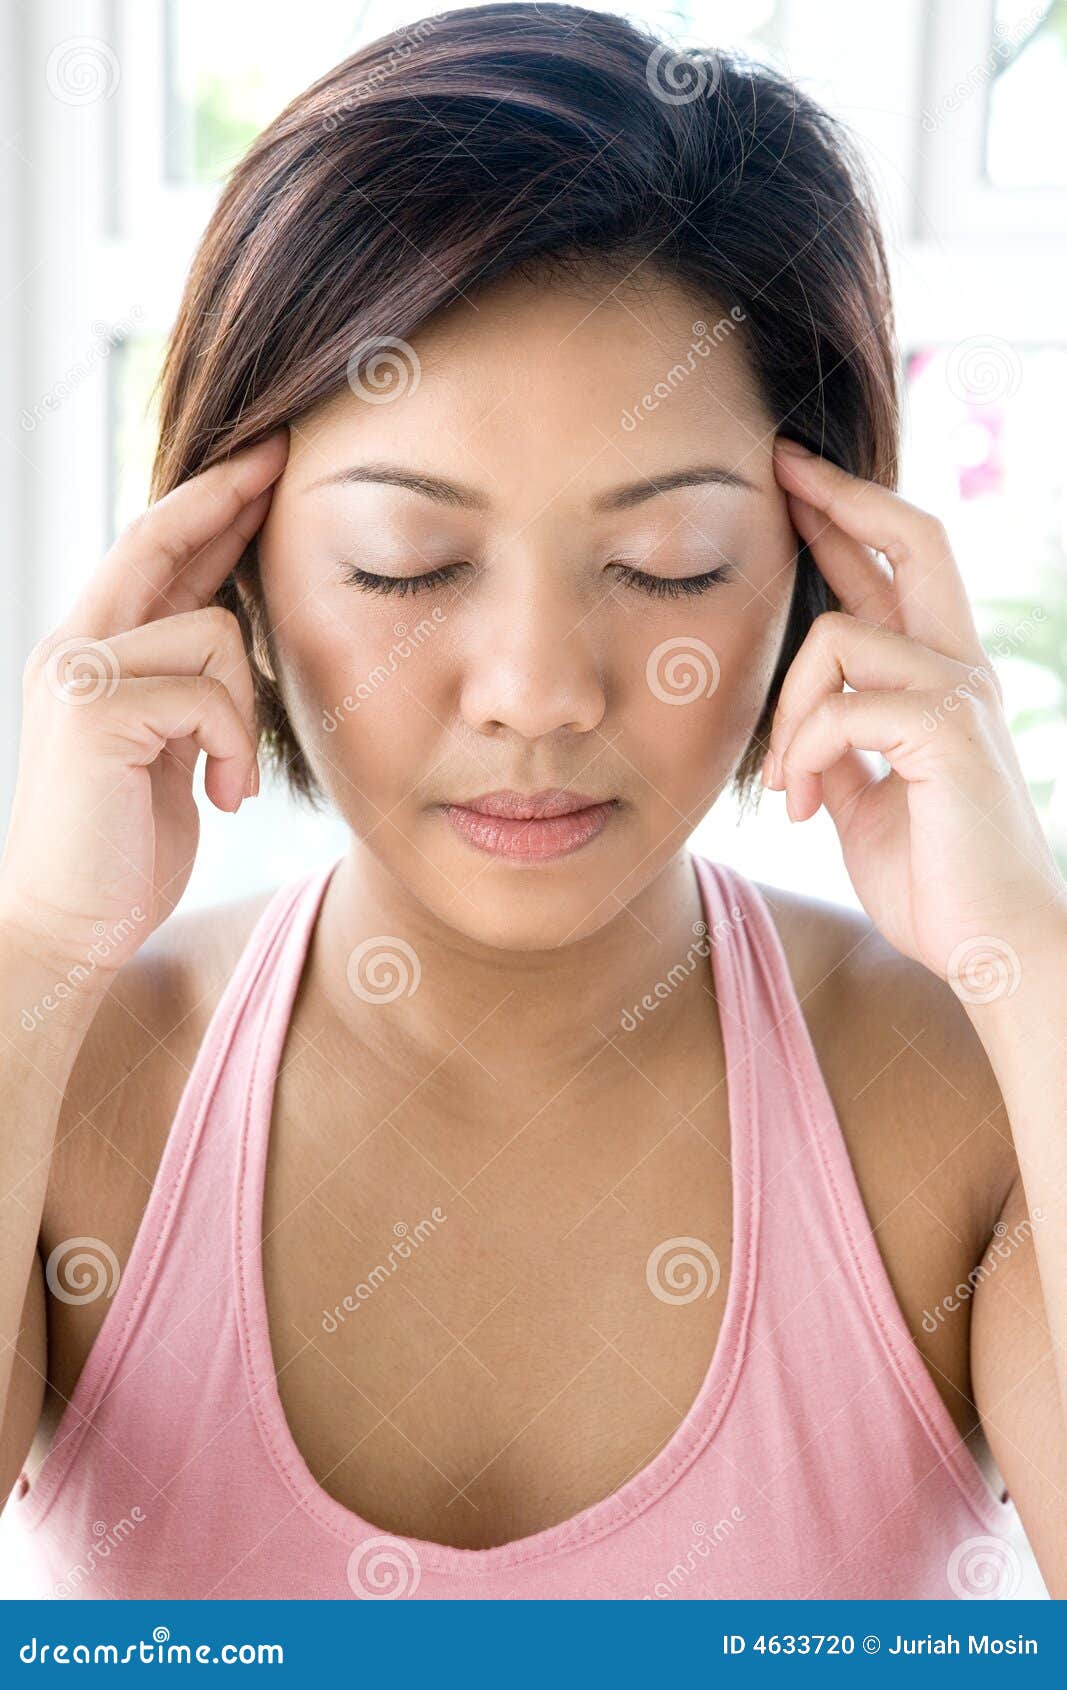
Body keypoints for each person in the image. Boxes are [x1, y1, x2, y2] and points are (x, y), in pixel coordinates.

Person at [0, 3, 1063, 1601]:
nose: (539, 689)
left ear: (819, 571)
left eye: (668, 566)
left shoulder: (968, 1096)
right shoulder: (77, 1086)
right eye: (408, 563)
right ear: (230, 567)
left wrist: (1024, 958)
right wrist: (35, 951)